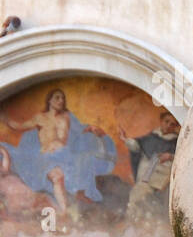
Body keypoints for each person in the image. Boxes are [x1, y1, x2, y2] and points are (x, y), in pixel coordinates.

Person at [2, 88, 116, 218]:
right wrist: (5, 118)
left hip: (65, 156)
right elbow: (19, 126)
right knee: (57, 176)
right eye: (57, 97)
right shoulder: (40, 118)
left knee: (67, 178)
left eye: (63, 98)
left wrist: (94, 130)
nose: (61, 100)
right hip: (47, 157)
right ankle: (64, 211)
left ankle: (68, 209)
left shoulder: (67, 117)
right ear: (49, 100)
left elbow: (81, 129)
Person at [124, 110, 181, 222]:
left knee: (152, 199)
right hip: (149, 173)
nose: (169, 125)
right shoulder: (151, 137)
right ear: (161, 121)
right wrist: (127, 140)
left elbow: (186, 157)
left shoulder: (178, 141)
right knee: (138, 194)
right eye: (167, 121)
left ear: (176, 126)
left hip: (166, 178)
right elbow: (137, 146)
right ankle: (134, 224)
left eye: (172, 124)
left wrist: (170, 156)